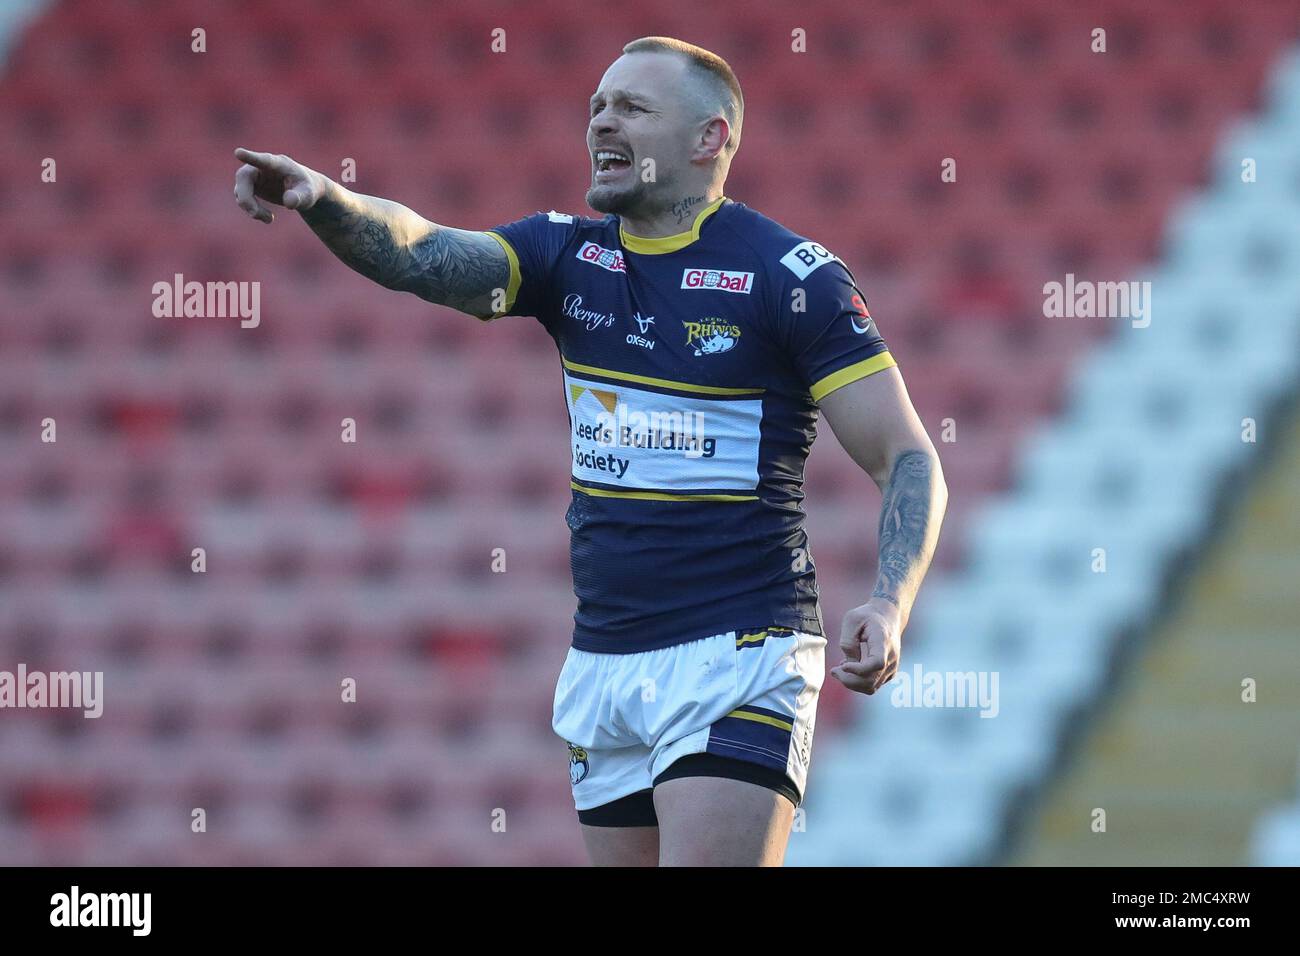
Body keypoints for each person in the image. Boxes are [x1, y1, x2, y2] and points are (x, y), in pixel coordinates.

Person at [233, 35, 947, 866]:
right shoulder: (564, 256)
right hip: (604, 661)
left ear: (708, 139)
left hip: (740, 653)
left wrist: (890, 604)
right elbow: (421, 251)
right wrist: (324, 197)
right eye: (597, 107)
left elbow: (907, 457)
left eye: (632, 107)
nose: (601, 122)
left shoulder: (790, 278)